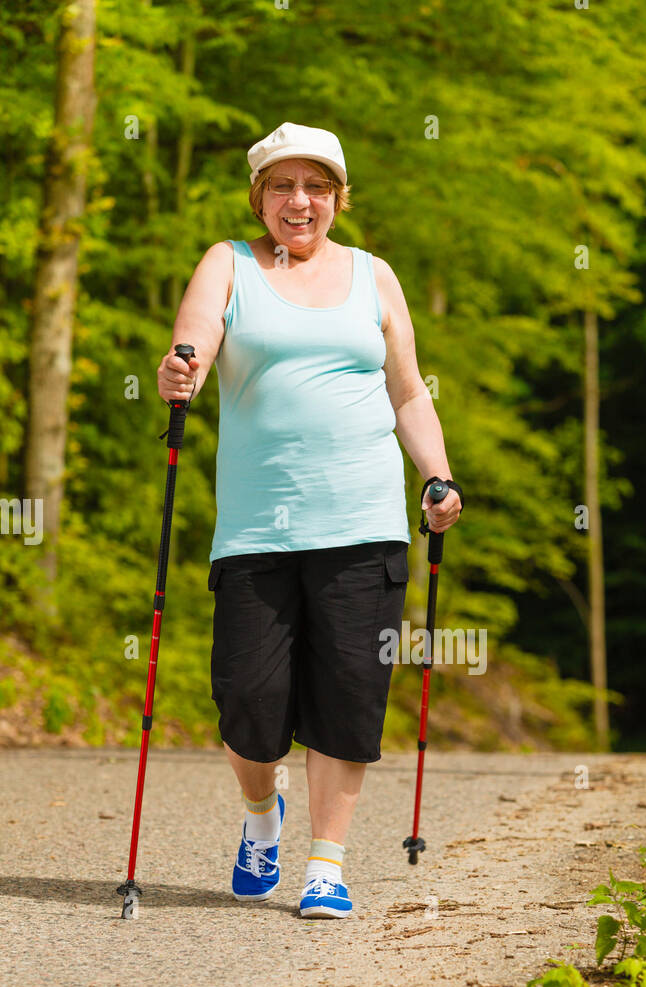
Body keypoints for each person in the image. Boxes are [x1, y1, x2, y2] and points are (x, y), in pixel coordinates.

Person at [157, 122, 462, 918]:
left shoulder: (373, 277)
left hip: (364, 523)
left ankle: (326, 864)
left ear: (337, 199)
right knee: (249, 706)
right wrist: (180, 366)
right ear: (260, 197)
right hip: (260, 529)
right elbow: (195, 337)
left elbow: (407, 392)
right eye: (284, 187)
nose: (301, 202)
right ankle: (264, 814)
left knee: (350, 694)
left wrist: (437, 475)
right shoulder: (230, 264)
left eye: (317, 187)